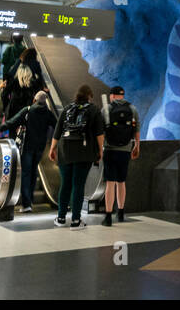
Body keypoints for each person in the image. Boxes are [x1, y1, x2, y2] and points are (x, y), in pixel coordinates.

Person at [0, 90, 58, 212]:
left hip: (27, 146)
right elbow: (58, 127)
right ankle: (29, 200)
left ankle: (27, 204)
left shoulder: (28, 110)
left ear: (34, 100)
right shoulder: (48, 113)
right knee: (33, 172)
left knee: (26, 173)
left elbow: (10, 123)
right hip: (40, 147)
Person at [50, 84, 105, 228]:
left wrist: (52, 148)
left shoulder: (67, 109)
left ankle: (61, 218)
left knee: (66, 184)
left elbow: (57, 131)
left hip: (64, 150)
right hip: (84, 152)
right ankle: (76, 220)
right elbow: (99, 133)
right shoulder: (94, 110)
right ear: (89, 96)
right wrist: (100, 150)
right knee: (78, 185)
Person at [101, 86, 140, 226]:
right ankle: (121, 212)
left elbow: (101, 132)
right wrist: (137, 146)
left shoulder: (106, 109)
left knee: (110, 183)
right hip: (125, 150)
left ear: (112, 96)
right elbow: (136, 130)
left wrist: (99, 150)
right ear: (122, 95)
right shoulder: (132, 109)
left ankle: (108, 216)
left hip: (110, 149)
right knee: (121, 182)